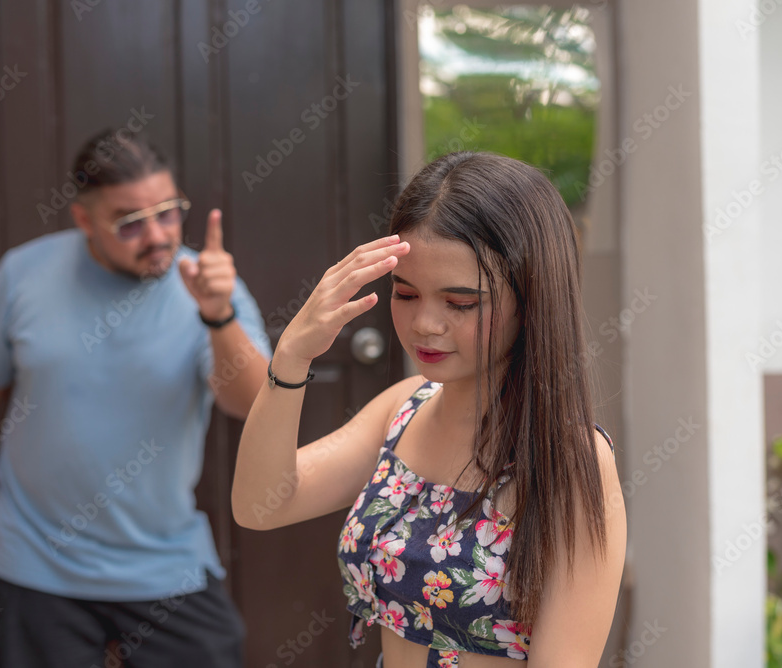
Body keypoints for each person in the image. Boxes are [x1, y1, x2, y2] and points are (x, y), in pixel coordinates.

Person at [232, 151, 626, 667]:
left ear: (532, 299)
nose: (425, 324)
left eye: (460, 303)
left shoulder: (570, 460)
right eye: (406, 293)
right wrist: (292, 356)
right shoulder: (404, 408)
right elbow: (261, 504)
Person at [0, 128, 271, 668]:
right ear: (84, 220)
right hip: (36, 562)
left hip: (162, 560)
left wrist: (217, 313)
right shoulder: (24, 273)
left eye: (167, 212)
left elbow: (254, 405)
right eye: (130, 222)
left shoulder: (208, 286)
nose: (157, 235)